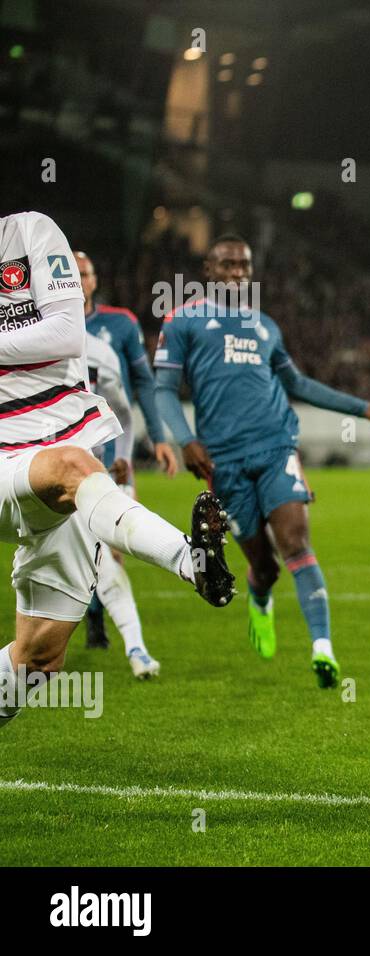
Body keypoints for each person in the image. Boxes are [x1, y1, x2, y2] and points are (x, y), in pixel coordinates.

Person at [0, 211, 233, 729]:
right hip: (15, 457)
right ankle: (191, 561)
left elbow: (65, 334)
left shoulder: (30, 233)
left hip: (65, 444)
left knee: (39, 660)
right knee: (75, 467)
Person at [153, 234, 370, 689]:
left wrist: (362, 408)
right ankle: (260, 597)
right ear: (208, 270)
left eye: (243, 266)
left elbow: (298, 385)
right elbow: (163, 388)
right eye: (226, 265)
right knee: (265, 566)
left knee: (297, 542)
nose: (236, 273)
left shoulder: (265, 326)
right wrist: (185, 439)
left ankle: (322, 649)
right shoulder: (182, 322)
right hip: (222, 462)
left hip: (276, 447)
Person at [74, 250, 177, 650]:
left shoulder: (119, 325)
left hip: (113, 450)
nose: (80, 281)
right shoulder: (46, 327)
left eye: (86, 273)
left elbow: (144, 383)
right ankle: (89, 618)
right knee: (70, 544)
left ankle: (97, 622)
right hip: (63, 450)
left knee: (111, 544)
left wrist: (159, 438)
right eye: (73, 274)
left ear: (95, 280)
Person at [84, 334, 161, 678]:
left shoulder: (99, 352)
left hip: (89, 475)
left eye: (85, 274)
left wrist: (124, 462)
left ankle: (136, 649)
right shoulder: (18, 339)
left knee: (108, 558)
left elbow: (124, 415)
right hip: (29, 471)